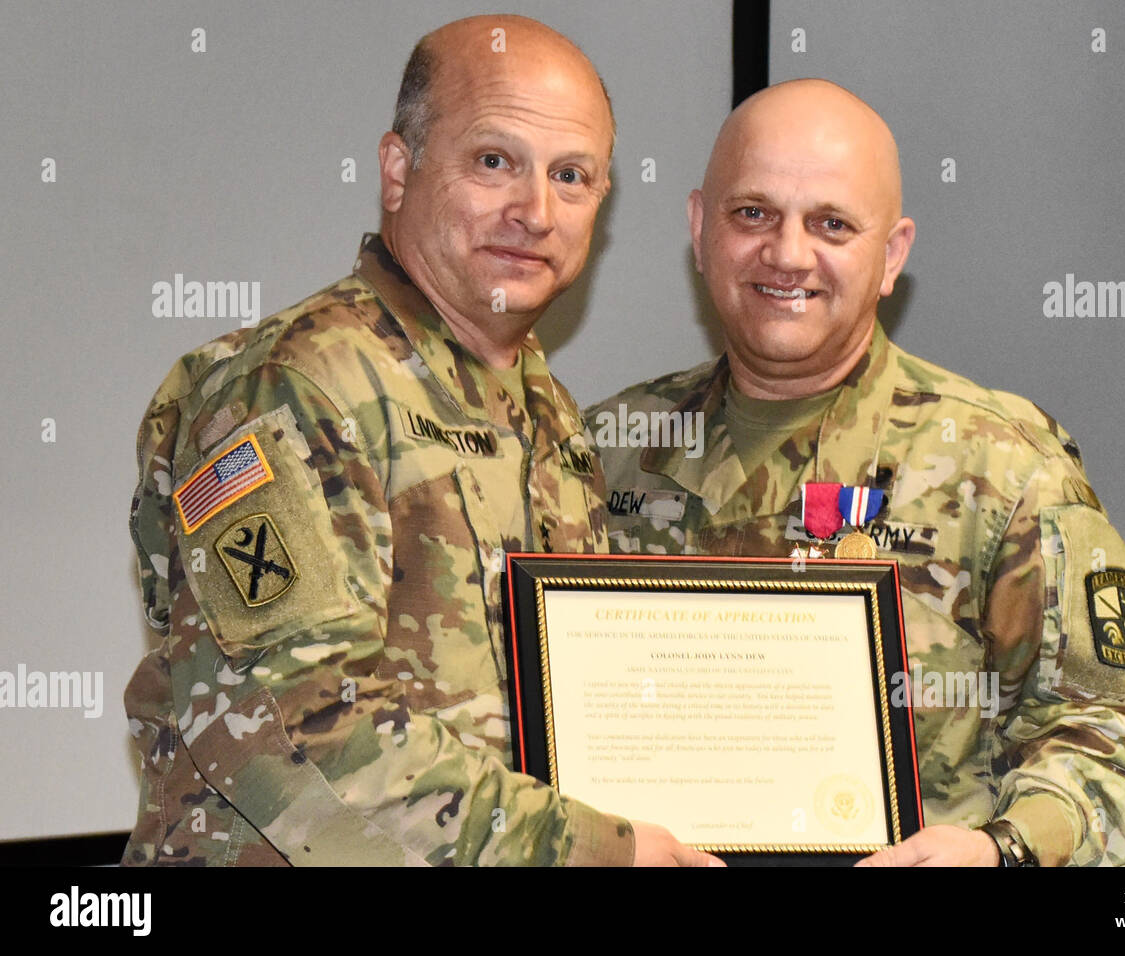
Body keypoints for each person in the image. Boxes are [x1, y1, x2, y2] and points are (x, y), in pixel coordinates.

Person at [123, 15, 717, 867]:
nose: (535, 211)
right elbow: (290, 736)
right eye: (493, 161)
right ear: (399, 170)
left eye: (573, 176)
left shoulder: (547, 414)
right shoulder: (296, 385)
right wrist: (593, 851)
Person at [588, 79, 1125, 866]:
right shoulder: (602, 451)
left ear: (891, 255)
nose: (787, 252)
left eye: (831, 223)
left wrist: (999, 851)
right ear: (701, 228)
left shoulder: (999, 464)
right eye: (752, 213)